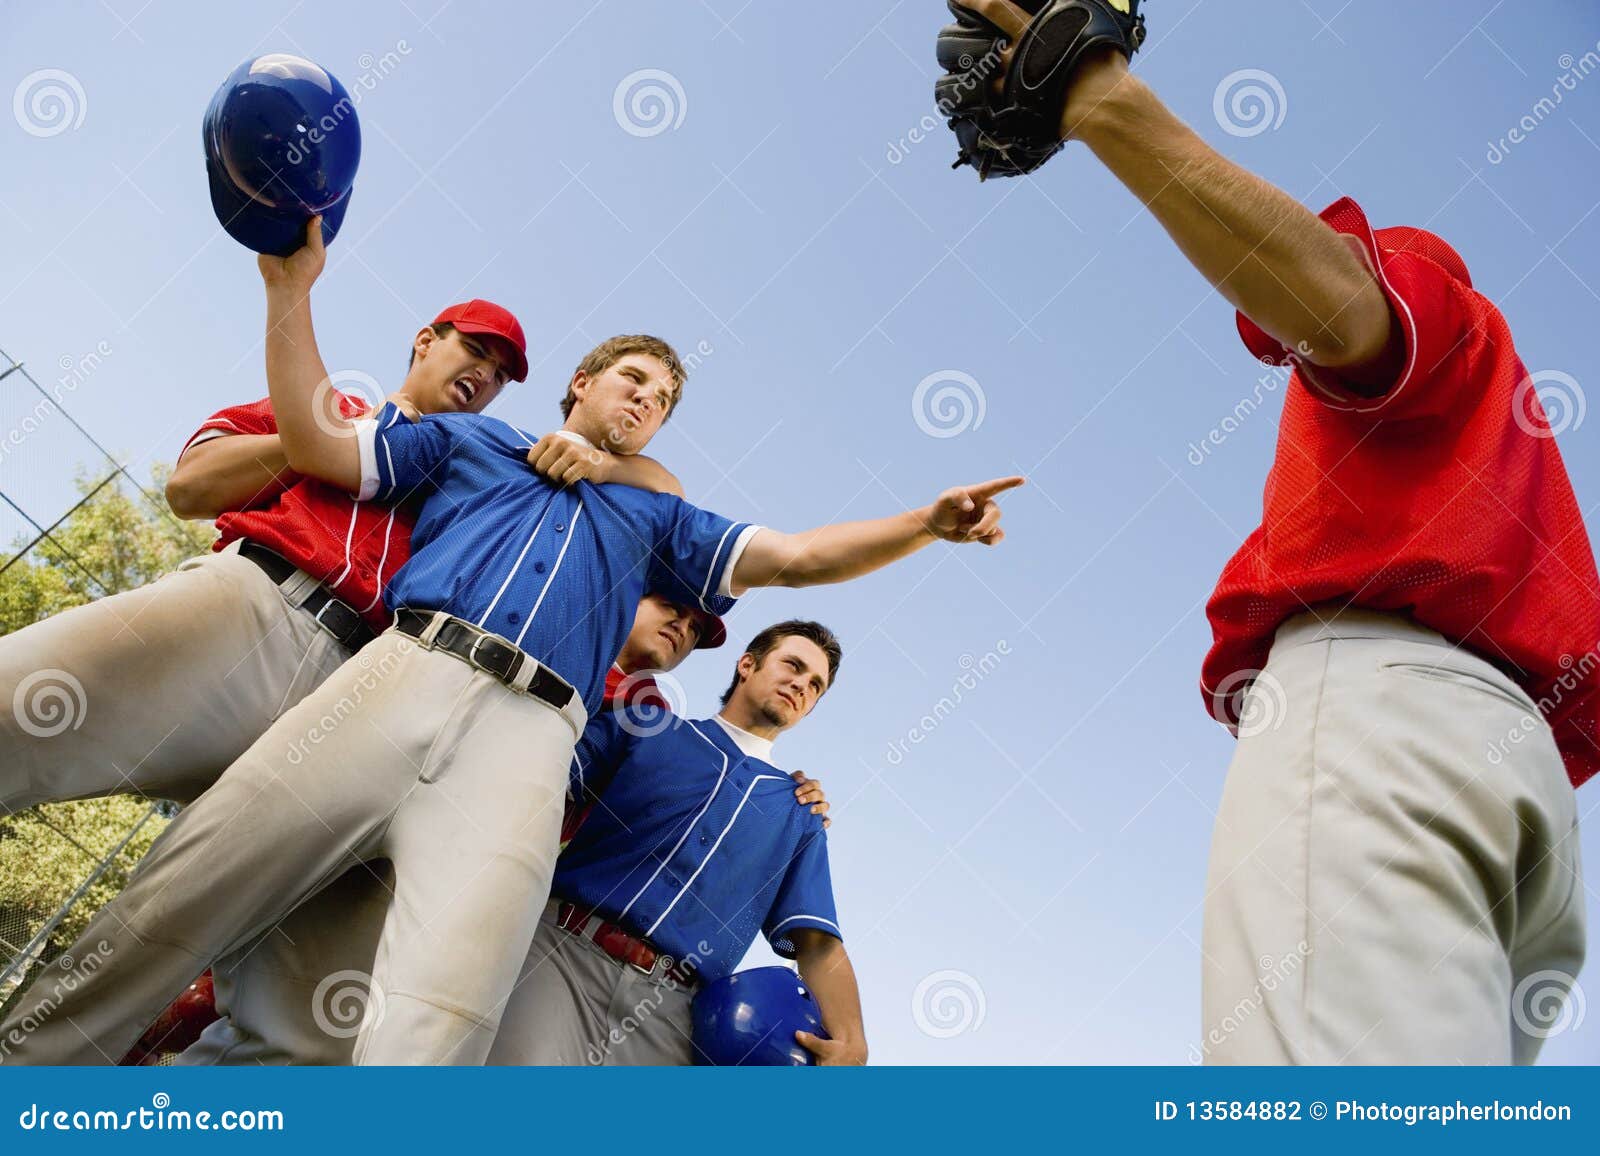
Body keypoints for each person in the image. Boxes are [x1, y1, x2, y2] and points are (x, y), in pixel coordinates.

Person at [0, 218, 1020, 1065]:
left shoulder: (664, 521)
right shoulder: (473, 438)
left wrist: (922, 524)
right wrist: (290, 288)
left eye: (663, 400)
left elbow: (794, 558)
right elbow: (316, 445)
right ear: (581, 382)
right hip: (402, 667)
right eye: (632, 378)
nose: (645, 400)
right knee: (187, 890)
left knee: (441, 1016)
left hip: (531, 739)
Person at [935, 0, 1591, 1063]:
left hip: (1385, 722)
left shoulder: (1444, 318)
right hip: (1526, 797)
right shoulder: (1507, 439)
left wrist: (1093, 91)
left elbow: (1337, 303)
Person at [168, 595, 832, 1066]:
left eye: (695, 627)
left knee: (355, 1044)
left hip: (474, 886)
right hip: (391, 819)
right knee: (267, 1013)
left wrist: (780, 798)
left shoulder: (646, 713)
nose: (682, 627)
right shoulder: (546, 633)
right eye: (671, 607)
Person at [490, 619, 864, 1066]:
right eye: (793, 665)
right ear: (747, 665)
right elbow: (534, 777)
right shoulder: (646, 725)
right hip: (560, 958)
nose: (801, 684)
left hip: (675, 1018)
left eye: (815, 684)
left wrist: (853, 1043)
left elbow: (818, 943)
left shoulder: (798, 813)